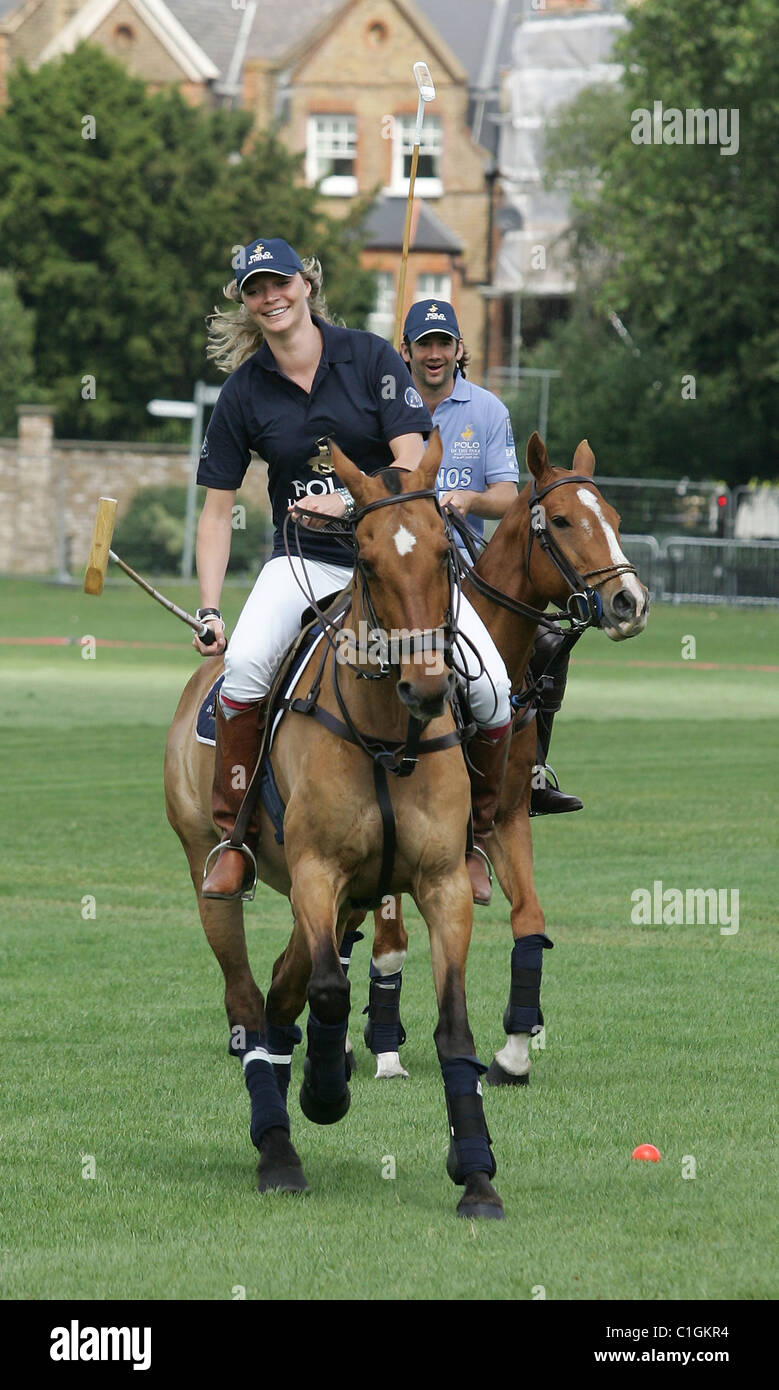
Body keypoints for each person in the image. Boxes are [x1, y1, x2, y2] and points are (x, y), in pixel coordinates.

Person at [192, 239, 513, 903]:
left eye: (278, 282)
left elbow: (412, 455)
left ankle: (474, 839)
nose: (270, 297)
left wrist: (348, 498)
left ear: (304, 284)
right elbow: (216, 514)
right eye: (255, 289)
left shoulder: (368, 357)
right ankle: (233, 837)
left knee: (492, 690)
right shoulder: (243, 393)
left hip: (398, 563)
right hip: (303, 563)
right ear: (246, 304)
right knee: (246, 669)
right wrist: (209, 606)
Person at [401, 300, 583, 873]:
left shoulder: (487, 409)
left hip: (468, 558)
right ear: (406, 350)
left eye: (443, 343)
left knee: (549, 645)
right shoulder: (384, 406)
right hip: (404, 561)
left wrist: (466, 498)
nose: (435, 354)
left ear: (459, 349)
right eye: (423, 344)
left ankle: (531, 772)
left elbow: (511, 493)